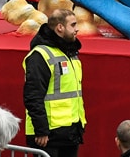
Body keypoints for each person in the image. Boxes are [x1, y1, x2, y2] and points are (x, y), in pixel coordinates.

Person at [23, 9, 84, 157]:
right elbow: (33, 96)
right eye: (73, 25)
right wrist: (41, 130)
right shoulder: (40, 55)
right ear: (60, 28)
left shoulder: (69, 53)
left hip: (69, 132)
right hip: (48, 136)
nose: (77, 29)